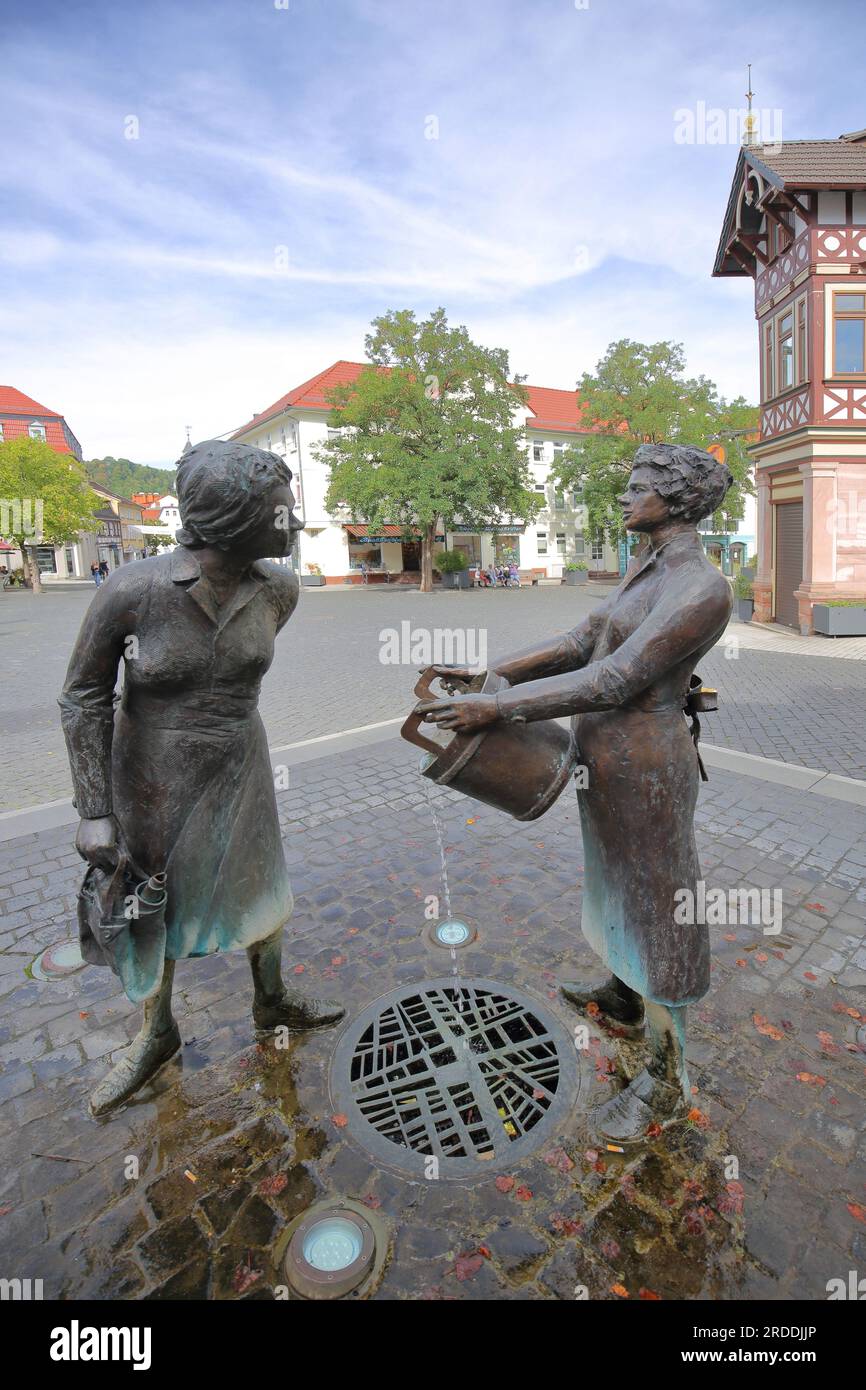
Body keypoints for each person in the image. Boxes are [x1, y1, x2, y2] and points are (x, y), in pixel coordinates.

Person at [417, 443, 733, 1142]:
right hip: (606, 757)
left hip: (647, 765)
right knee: (617, 884)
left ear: (678, 500)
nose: (624, 497)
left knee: (660, 906)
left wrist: (499, 708)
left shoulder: (702, 587)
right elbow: (579, 639)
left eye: (638, 487)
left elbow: (616, 677)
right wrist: (490, 674)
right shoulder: (646, 568)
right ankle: (624, 995)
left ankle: (669, 1077)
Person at [61, 440, 344, 1115]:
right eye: (279, 514)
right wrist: (94, 808)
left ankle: (271, 999)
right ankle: (156, 1033)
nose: (293, 524)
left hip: (240, 762)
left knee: (261, 885)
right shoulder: (133, 590)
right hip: (150, 775)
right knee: (152, 902)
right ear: (227, 522)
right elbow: (83, 695)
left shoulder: (279, 589)